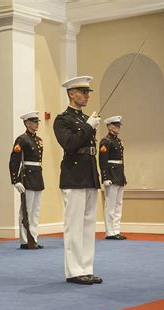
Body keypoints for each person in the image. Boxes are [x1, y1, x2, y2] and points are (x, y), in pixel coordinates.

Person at [53, 76, 103, 285]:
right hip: (74, 177)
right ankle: (74, 271)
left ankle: (86, 267)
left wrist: (87, 125)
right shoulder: (62, 120)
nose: (86, 96)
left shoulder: (83, 120)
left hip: (89, 174)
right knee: (74, 225)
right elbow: (70, 144)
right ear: (71, 94)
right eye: (82, 92)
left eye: (88, 92)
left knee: (88, 225)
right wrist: (88, 127)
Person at [9, 111, 44, 250]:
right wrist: (15, 180)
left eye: (37, 122)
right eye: (34, 122)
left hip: (37, 176)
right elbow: (14, 161)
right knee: (26, 209)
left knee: (35, 210)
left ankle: (33, 237)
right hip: (27, 176)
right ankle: (25, 240)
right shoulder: (22, 140)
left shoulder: (38, 140)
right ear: (27, 123)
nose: (36, 124)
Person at [99, 116, 127, 240]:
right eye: (115, 126)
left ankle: (116, 229)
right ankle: (110, 232)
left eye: (118, 126)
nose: (118, 128)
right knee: (110, 205)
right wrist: (105, 177)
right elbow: (102, 161)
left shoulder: (118, 141)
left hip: (119, 175)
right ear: (109, 127)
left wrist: (122, 176)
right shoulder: (105, 141)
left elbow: (121, 161)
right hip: (111, 175)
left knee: (118, 204)